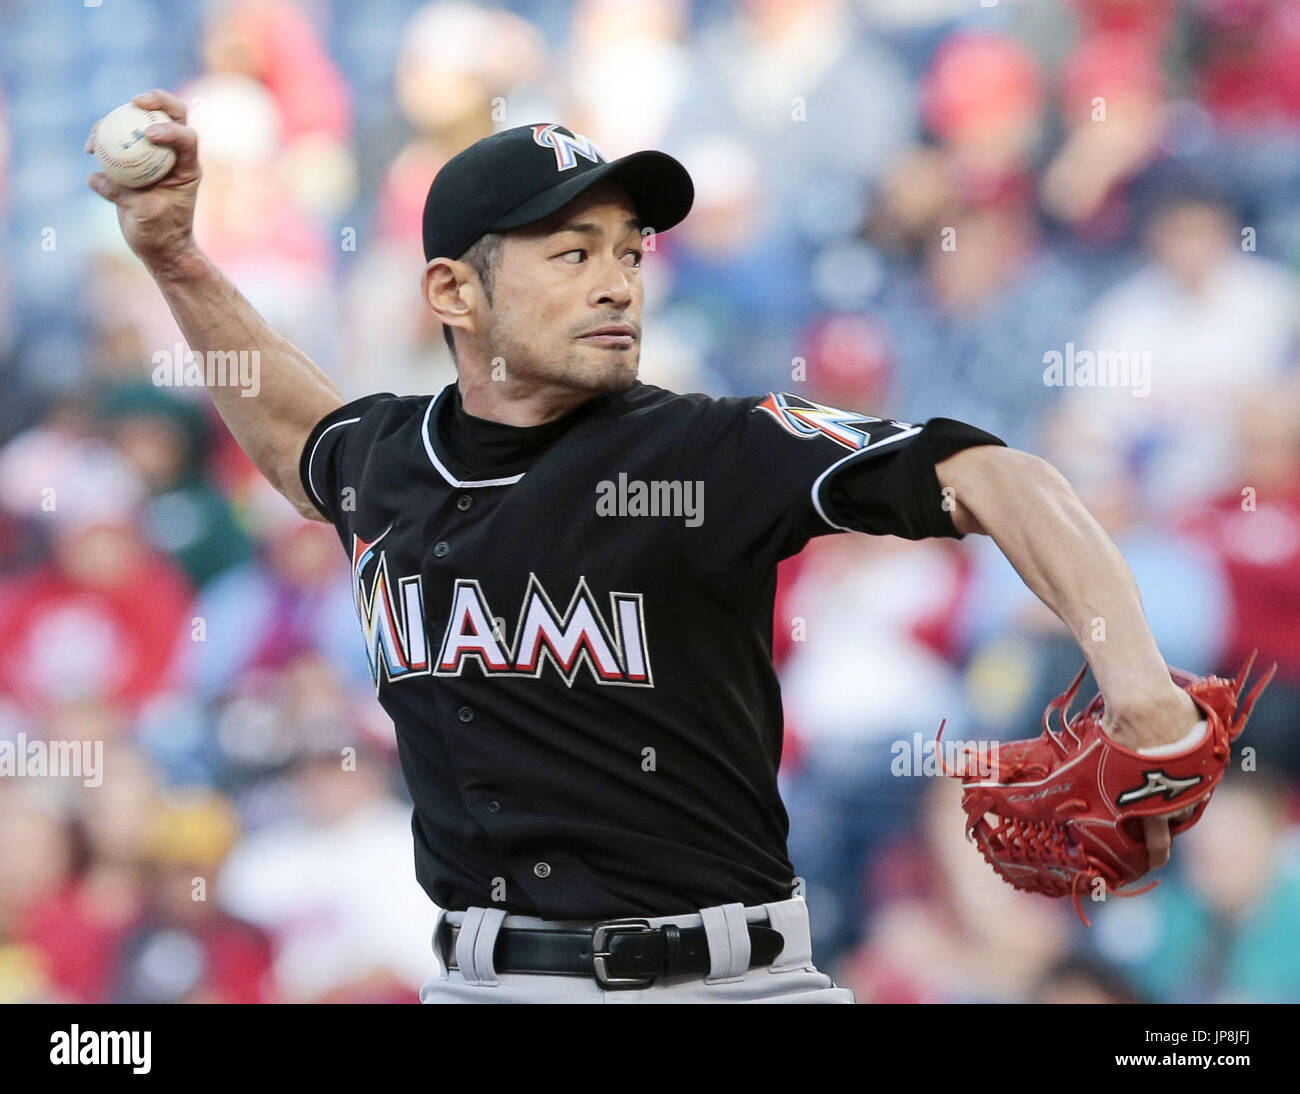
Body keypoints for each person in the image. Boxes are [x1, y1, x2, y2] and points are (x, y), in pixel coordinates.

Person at [88, 90, 1204, 1004]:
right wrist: (176, 255)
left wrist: (1139, 689)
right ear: (449, 291)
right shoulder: (386, 458)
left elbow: (998, 475)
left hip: (723, 981)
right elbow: (297, 439)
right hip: (482, 981)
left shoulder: (710, 451)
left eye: (629, 249)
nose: (618, 279)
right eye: (570, 253)